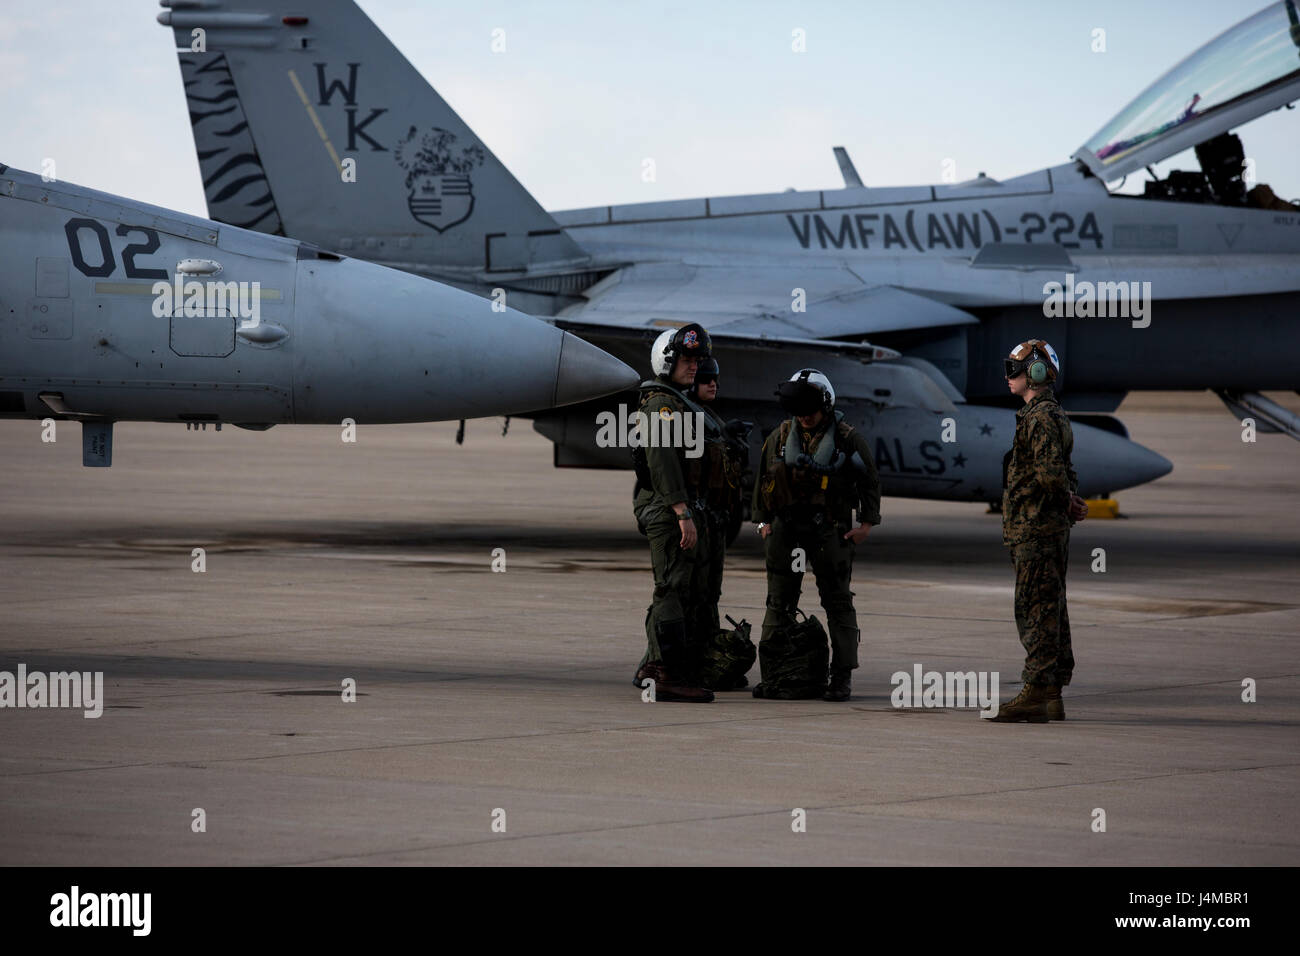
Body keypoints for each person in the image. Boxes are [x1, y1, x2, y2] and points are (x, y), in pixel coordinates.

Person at [751, 369, 881, 702]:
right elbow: (762, 479)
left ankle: (841, 676)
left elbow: (869, 481)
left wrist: (866, 524)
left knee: (838, 603)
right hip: (785, 530)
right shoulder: (780, 437)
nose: (806, 418)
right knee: (779, 603)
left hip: (830, 530)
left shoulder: (847, 439)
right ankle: (774, 673)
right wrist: (761, 522)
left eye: (811, 411)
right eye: (800, 412)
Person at [989, 339, 1089, 722]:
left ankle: (1035, 690)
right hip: (1043, 527)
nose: (1008, 376)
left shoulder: (1040, 418)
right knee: (1050, 606)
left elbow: (1050, 474)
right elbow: (1063, 472)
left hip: (1036, 528)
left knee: (1036, 609)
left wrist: (1064, 499)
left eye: (1014, 368)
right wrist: (1070, 499)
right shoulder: (1048, 415)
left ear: (1034, 373)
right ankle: (1050, 694)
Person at [630, 324, 715, 703]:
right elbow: (662, 462)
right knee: (672, 589)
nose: (694, 366)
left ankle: (655, 666)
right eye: (686, 359)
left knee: (677, 588)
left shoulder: (675, 402)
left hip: (675, 507)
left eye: (697, 359)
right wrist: (682, 511)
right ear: (667, 361)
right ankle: (666, 674)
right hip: (668, 510)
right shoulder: (661, 406)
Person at [686, 357, 750, 676]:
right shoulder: (686, 417)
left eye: (716, 379)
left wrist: (733, 442)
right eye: (706, 379)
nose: (713, 383)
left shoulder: (710, 418)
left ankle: (707, 659)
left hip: (716, 519)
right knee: (691, 593)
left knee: (710, 592)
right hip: (698, 518)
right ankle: (674, 663)